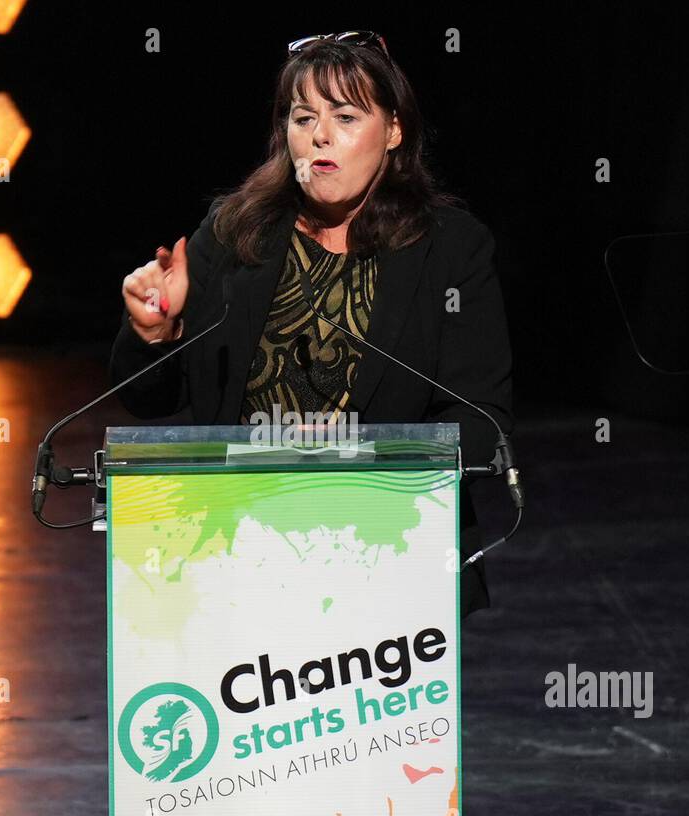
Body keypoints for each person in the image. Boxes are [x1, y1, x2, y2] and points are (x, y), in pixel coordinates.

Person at [111, 31, 514, 617]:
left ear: (394, 131)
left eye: (346, 116)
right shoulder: (236, 232)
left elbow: (482, 422)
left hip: (386, 564)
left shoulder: (451, 249)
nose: (320, 135)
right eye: (303, 118)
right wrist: (157, 332)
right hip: (234, 562)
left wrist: (358, 474)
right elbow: (148, 401)